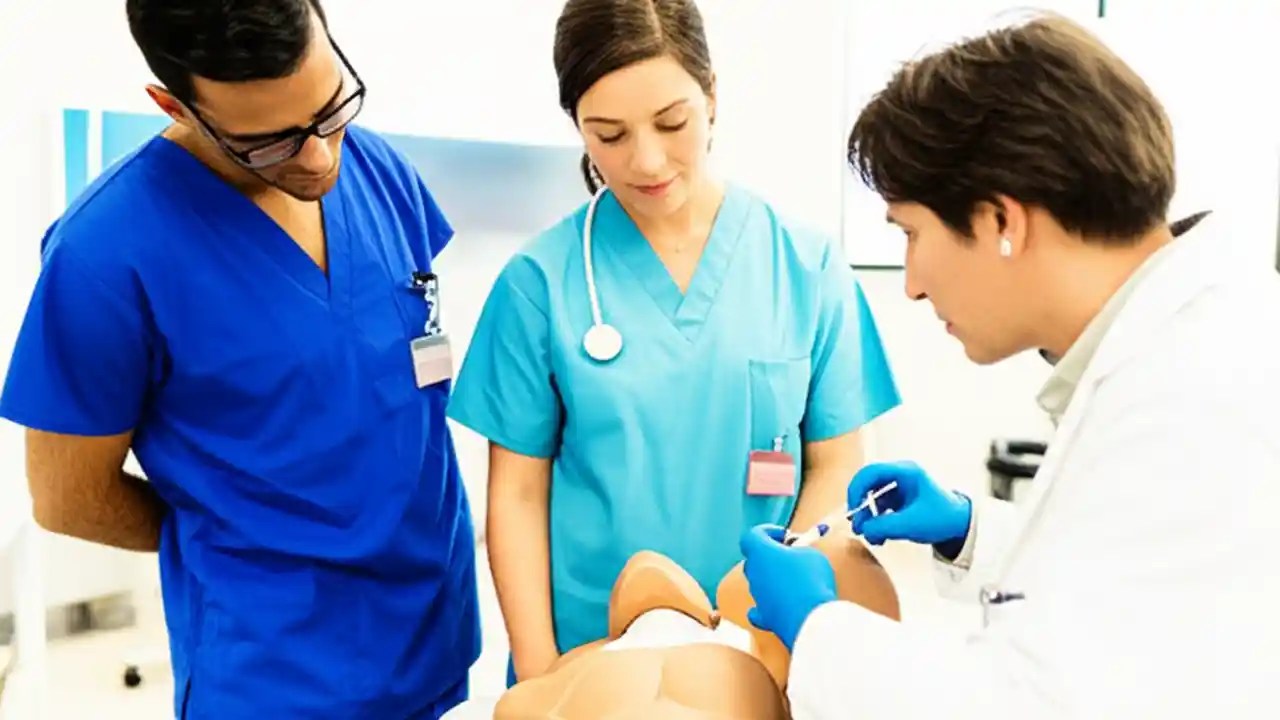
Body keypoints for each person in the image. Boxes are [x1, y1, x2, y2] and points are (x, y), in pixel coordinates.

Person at [738, 12, 1280, 719]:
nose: (912, 283)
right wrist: (970, 532)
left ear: (1001, 222)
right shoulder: (1177, 350)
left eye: (911, 233)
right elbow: (1122, 601)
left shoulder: (1193, 394)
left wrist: (817, 629)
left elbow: (1030, 703)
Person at [0, 1, 480, 717]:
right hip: (277, 678)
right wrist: (238, 539)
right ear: (175, 105)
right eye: (268, 142)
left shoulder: (376, 168)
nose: (320, 157)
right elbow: (69, 498)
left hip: (429, 636)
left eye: (330, 107)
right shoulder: (106, 253)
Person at [446, 0, 900, 687]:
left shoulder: (805, 267)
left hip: (756, 656)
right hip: (587, 662)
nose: (647, 159)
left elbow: (834, 465)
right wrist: (542, 681)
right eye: (610, 134)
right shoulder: (539, 285)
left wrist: (783, 632)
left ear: (712, 98)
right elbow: (516, 496)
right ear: (577, 127)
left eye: (671, 122)